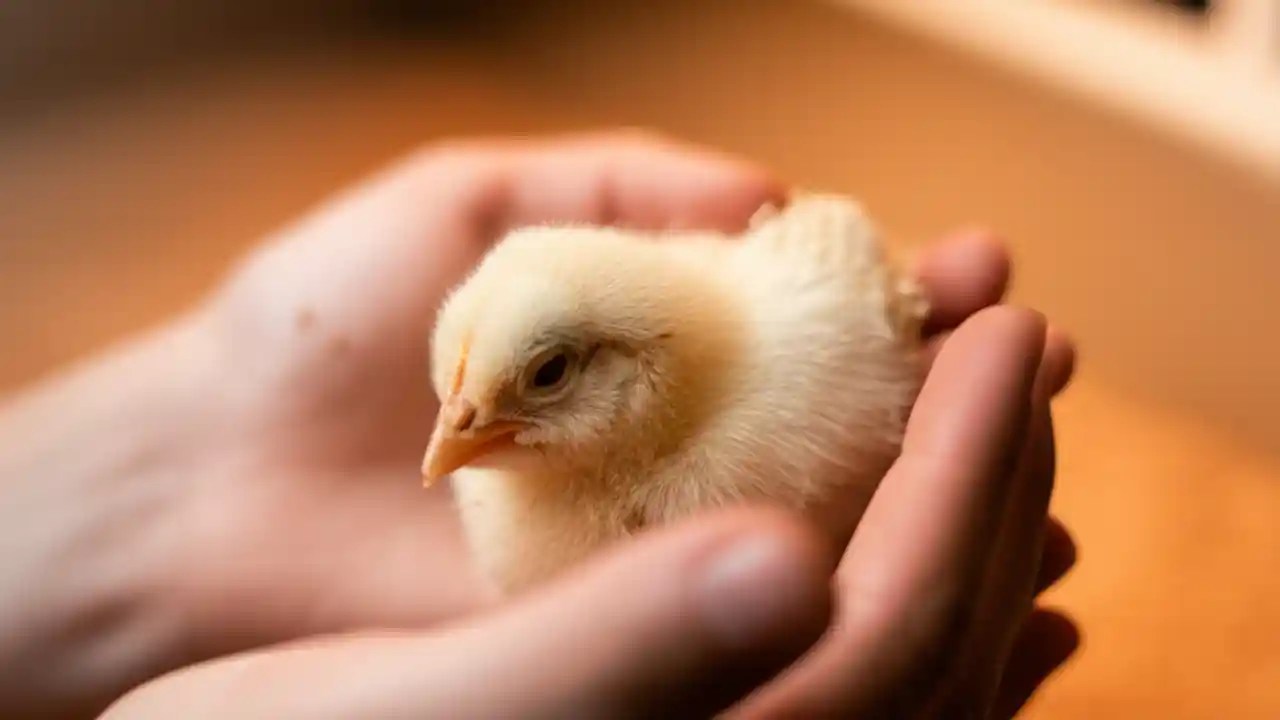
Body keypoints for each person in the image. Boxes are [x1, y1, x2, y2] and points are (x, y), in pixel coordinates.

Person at [0, 132, 1078, 719]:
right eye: (453, 396)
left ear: (647, 366)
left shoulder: (812, 351)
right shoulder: (514, 482)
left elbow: (832, 238)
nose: (454, 441)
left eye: (549, 376)